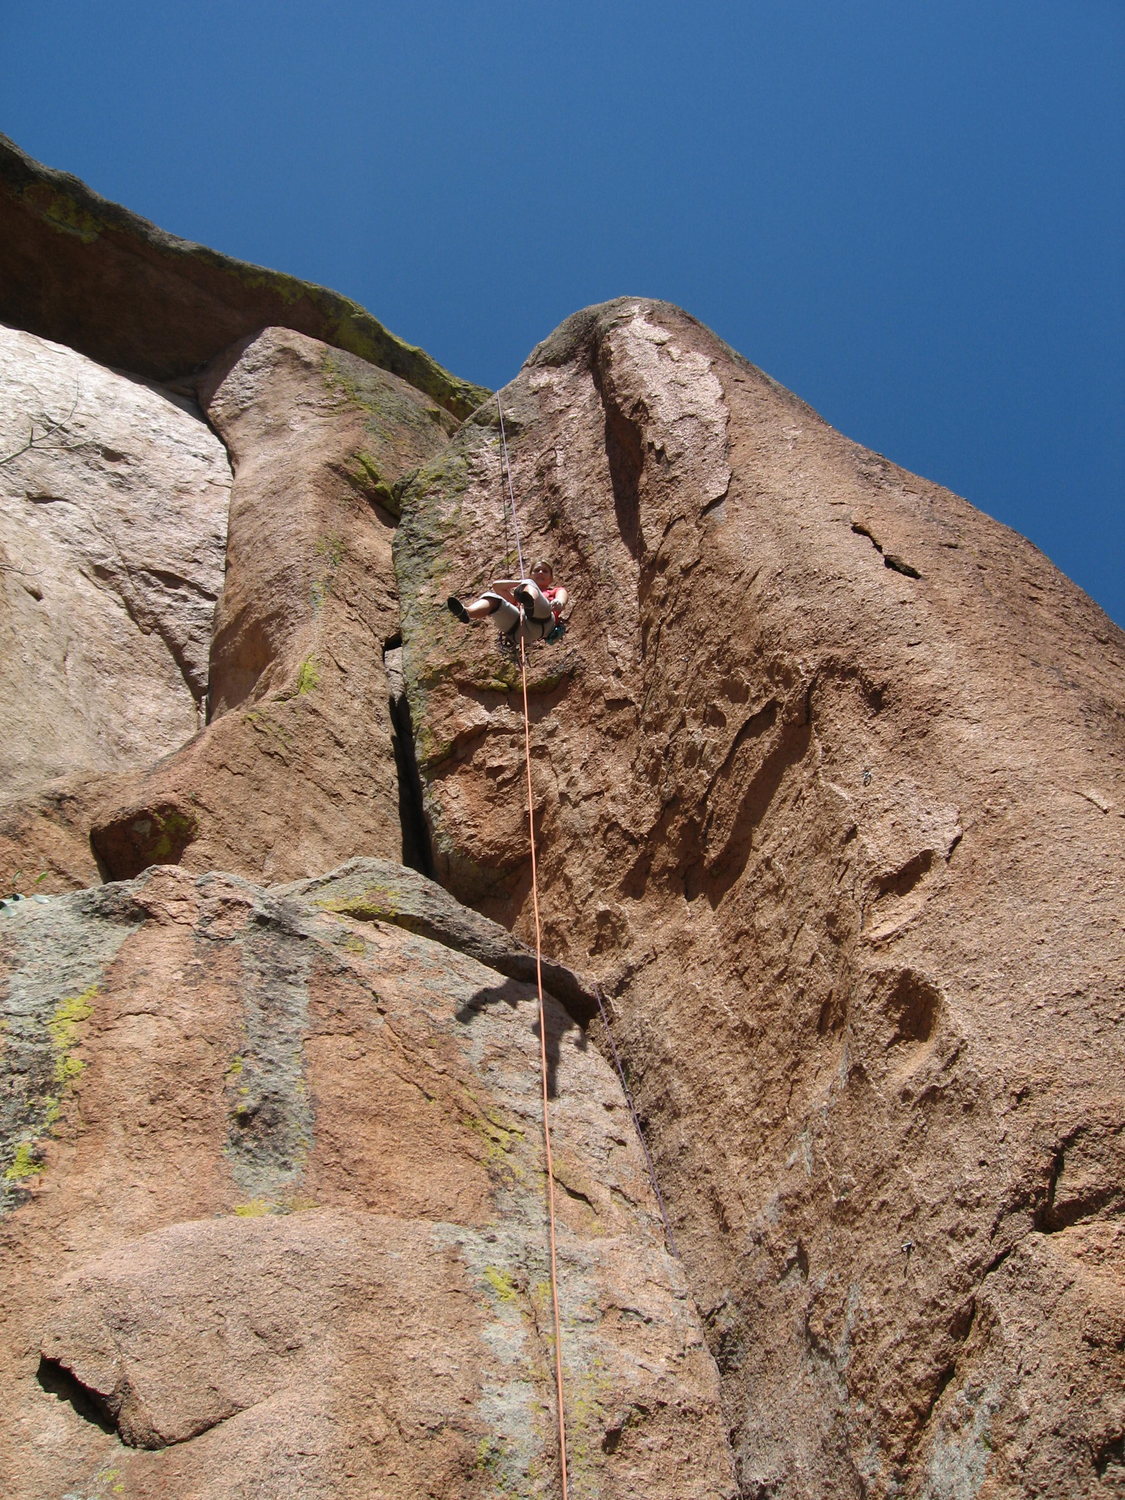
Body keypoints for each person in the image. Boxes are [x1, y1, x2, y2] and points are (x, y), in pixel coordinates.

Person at [448, 561, 569, 645]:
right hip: (520, 631)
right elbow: (497, 586)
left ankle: (530, 602)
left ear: (551, 578)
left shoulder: (555, 590)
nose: (541, 572)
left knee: (529, 588)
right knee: (494, 599)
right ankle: (467, 612)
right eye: (537, 570)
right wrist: (522, 582)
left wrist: (559, 603)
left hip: (545, 621)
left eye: (545, 571)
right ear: (531, 574)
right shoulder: (523, 589)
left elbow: (562, 598)